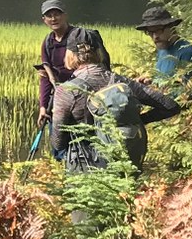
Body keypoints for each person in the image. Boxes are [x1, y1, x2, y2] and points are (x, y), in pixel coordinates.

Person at [49, 25, 180, 171]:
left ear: (70, 55)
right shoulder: (122, 82)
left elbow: (58, 142)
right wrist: (135, 121)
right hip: (123, 164)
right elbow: (170, 106)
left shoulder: (66, 91)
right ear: (99, 52)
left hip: (85, 168)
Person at [136, 3, 192, 86]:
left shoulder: (186, 52)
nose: (155, 37)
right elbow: (163, 79)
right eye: (150, 32)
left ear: (171, 27)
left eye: (158, 30)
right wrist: (150, 82)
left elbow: (187, 89)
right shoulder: (162, 48)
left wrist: (155, 88)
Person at [35, 0, 73, 117]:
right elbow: (45, 75)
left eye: (57, 14)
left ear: (65, 16)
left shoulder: (78, 37)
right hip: (58, 100)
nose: (53, 19)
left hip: (80, 97)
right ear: (44, 20)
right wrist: (43, 107)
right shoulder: (48, 42)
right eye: (49, 16)